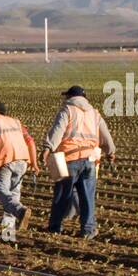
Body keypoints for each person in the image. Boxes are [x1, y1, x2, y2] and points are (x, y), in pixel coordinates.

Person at [39, 85, 117, 239]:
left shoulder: (67, 110)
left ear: (70, 97)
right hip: (90, 160)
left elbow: (57, 130)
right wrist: (111, 151)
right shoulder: (94, 113)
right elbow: (105, 133)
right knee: (87, 196)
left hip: (69, 159)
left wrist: (47, 148)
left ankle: (55, 227)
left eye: (66, 96)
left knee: (62, 195)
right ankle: (88, 230)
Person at [0, 102, 38, 230]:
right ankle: (8, 230)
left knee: (2, 190)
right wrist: (34, 163)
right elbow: (31, 141)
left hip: (6, 160)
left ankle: (20, 211)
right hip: (23, 160)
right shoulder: (16, 122)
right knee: (13, 195)